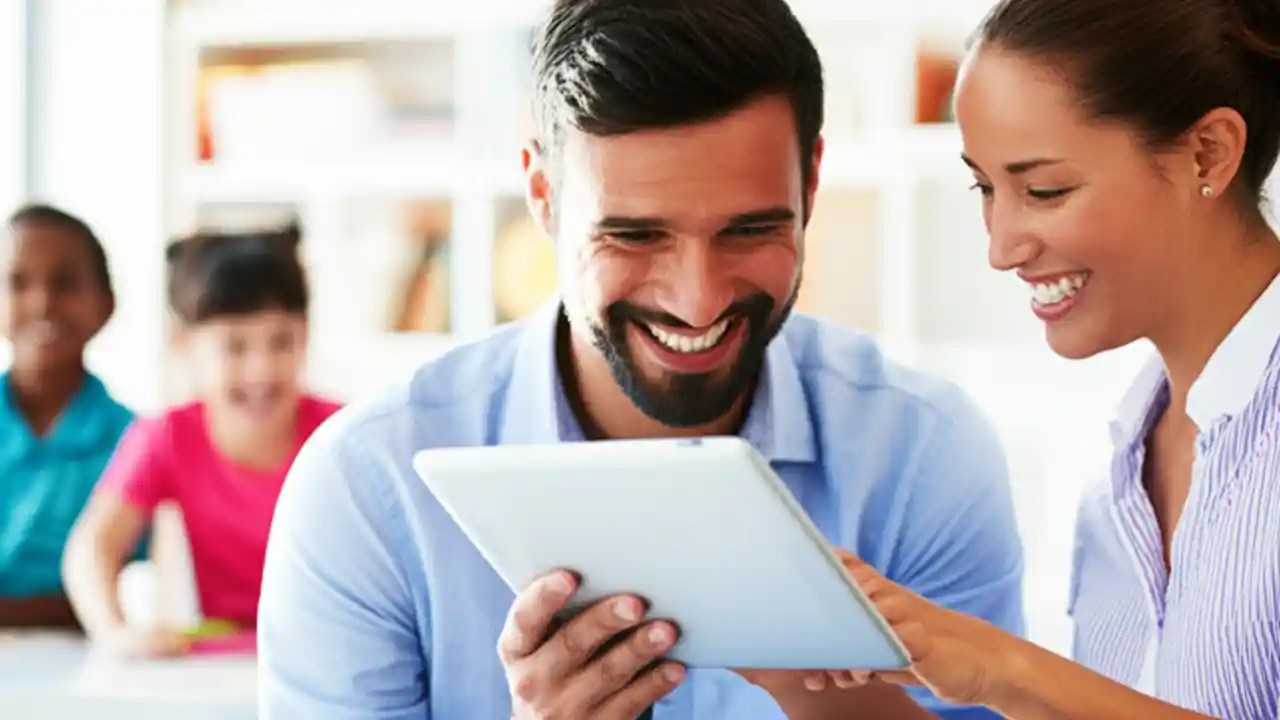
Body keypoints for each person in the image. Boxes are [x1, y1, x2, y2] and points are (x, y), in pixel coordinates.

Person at [259, 2, 1023, 719]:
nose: (697, 301)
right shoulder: (367, 489)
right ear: (543, 195)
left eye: (749, 230)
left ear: (811, 184)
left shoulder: (922, 457)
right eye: (635, 236)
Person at [779, 0, 1280, 718]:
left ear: (1208, 154)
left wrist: (1001, 668)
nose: (1001, 246)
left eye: (1044, 191)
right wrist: (801, 676)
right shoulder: (1120, 482)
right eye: (986, 188)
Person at [61, 224, 340, 658]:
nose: (262, 368)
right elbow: (92, 547)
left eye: (282, 342)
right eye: (235, 346)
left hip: (328, 653)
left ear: (305, 337)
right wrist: (115, 632)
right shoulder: (167, 437)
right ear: (184, 346)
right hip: (221, 662)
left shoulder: (340, 436)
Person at [0, 205, 133, 629]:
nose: (42, 303)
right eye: (18, 283)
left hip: (88, 676)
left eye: (65, 283)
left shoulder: (133, 442)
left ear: (105, 305)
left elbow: (141, 594)